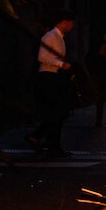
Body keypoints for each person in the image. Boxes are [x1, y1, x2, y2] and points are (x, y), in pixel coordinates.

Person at [26, 11, 78, 157]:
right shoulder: (51, 36)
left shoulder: (59, 37)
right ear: (64, 22)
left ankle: (48, 142)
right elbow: (42, 56)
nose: (72, 26)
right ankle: (45, 140)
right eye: (71, 22)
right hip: (48, 77)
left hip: (54, 76)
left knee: (58, 112)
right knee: (57, 111)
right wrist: (61, 64)